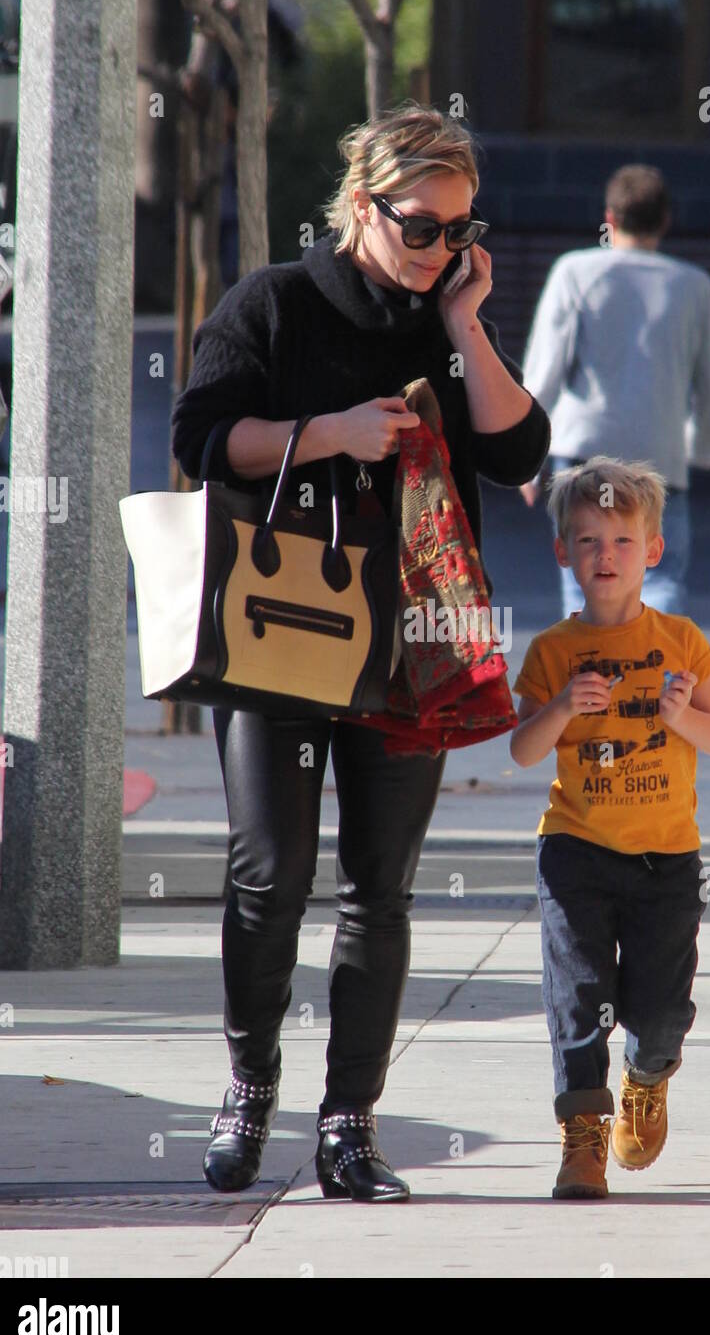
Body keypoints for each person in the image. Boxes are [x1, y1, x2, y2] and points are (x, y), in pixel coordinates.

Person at [170, 102, 550, 1202]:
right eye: (421, 227)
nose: (441, 249)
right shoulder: (275, 304)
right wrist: (324, 434)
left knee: (378, 891)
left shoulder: (445, 317)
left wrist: (470, 325)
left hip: (410, 648)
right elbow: (201, 437)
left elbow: (519, 446)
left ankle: (348, 1124)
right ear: (359, 205)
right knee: (266, 876)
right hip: (280, 630)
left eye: (460, 230)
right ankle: (248, 1090)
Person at [509, 457, 710, 1198]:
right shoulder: (551, 653)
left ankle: (647, 1073)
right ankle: (582, 1139)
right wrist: (564, 707)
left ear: (654, 550)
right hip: (575, 851)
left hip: (666, 857)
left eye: (622, 541)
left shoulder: (681, 641)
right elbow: (523, 749)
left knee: (662, 1006)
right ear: (562, 553)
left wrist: (683, 717)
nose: (605, 557)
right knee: (577, 996)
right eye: (587, 541)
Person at [519, 165, 710, 616]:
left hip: (583, 453)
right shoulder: (694, 286)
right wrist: (700, 447)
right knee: (660, 574)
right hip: (661, 458)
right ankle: (655, 675)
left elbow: (545, 372)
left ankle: (589, 680)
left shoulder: (574, 272)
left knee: (584, 579)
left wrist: (524, 456)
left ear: (609, 219)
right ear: (665, 221)